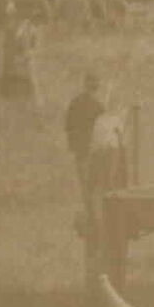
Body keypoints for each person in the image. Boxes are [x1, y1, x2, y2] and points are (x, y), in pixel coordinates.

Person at [65, 73, 106, 235]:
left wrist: (75, 147)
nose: (95, 83)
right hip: (92, 153)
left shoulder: (76, 103)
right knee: (95, 188)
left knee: (88, 188)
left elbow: (68, 127)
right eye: (94, 80)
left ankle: (93, 221)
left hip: (84, 152)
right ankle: (96, 222)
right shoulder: (98, 106)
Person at [0, 15, 40, 103]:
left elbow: (33, 43)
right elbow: (8, 44)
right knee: (12, 74)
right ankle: (10, 94)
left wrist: (29, 52)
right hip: (14, 56)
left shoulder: (30, 28)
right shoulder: (11, 28)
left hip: (25, 56)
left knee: (29, 76)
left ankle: (32, 97)